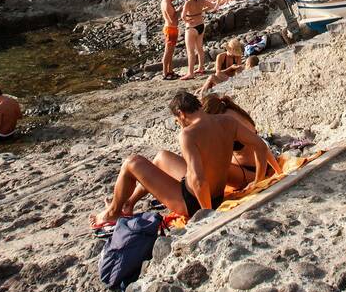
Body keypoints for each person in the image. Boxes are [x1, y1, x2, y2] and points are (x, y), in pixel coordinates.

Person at [91, 91, 270, 225]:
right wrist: (258, 181)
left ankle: (112, 213)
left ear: (181, 115)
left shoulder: (188, 134)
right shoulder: (227, 122)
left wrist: (207, 214)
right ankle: (127, 204)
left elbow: (199, 180)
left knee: (132, 162)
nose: (179, 124)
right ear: (199, 106)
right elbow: (261, 147)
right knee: (162, 157)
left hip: (192, 202)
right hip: (213, 195)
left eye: (177, 121)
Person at [201, 93, 282, 190]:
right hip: (249, 168)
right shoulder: (230, 112)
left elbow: (260, 146)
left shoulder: (228, 121)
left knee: (211, 167)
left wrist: (259, 180)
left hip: (253, 171)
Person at [180, 0, 216, 80]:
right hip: (201, 25)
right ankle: (201, 68)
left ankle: (190, 73)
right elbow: (212, 6)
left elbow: (183, 17)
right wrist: (201, 11)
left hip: (191, 28)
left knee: (190, 52)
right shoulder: (201, 0)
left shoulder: (187, 3)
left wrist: (188, 20)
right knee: (200, 48)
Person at [160, 0, 181, 80]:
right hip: (170, 29)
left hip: (170, 28)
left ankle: (170, 71)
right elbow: (172, 20)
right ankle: (165, 73)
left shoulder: (164, 2)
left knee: (171, 51)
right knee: (168, 51)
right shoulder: (167, 5)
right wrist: (180, 10)